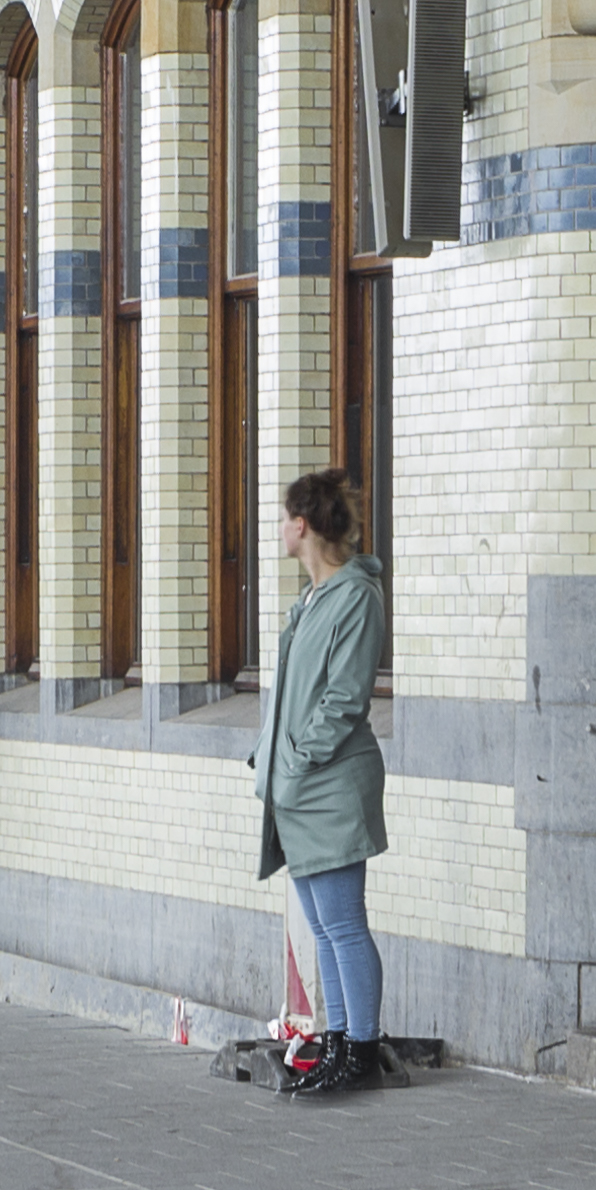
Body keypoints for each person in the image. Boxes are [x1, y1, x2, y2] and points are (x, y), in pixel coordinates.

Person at [257, 466, 397, 1093]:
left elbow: (342, 699)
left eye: (285, 517)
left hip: (330, 782)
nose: (280, 529)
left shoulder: (356, 596)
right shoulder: (313, 599)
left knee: (343, 922)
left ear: (303, 525)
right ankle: (338, 1041)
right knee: (322, 926)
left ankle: (361, 1051)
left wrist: (298, 756)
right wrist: (274, 756)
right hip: (301, 785)